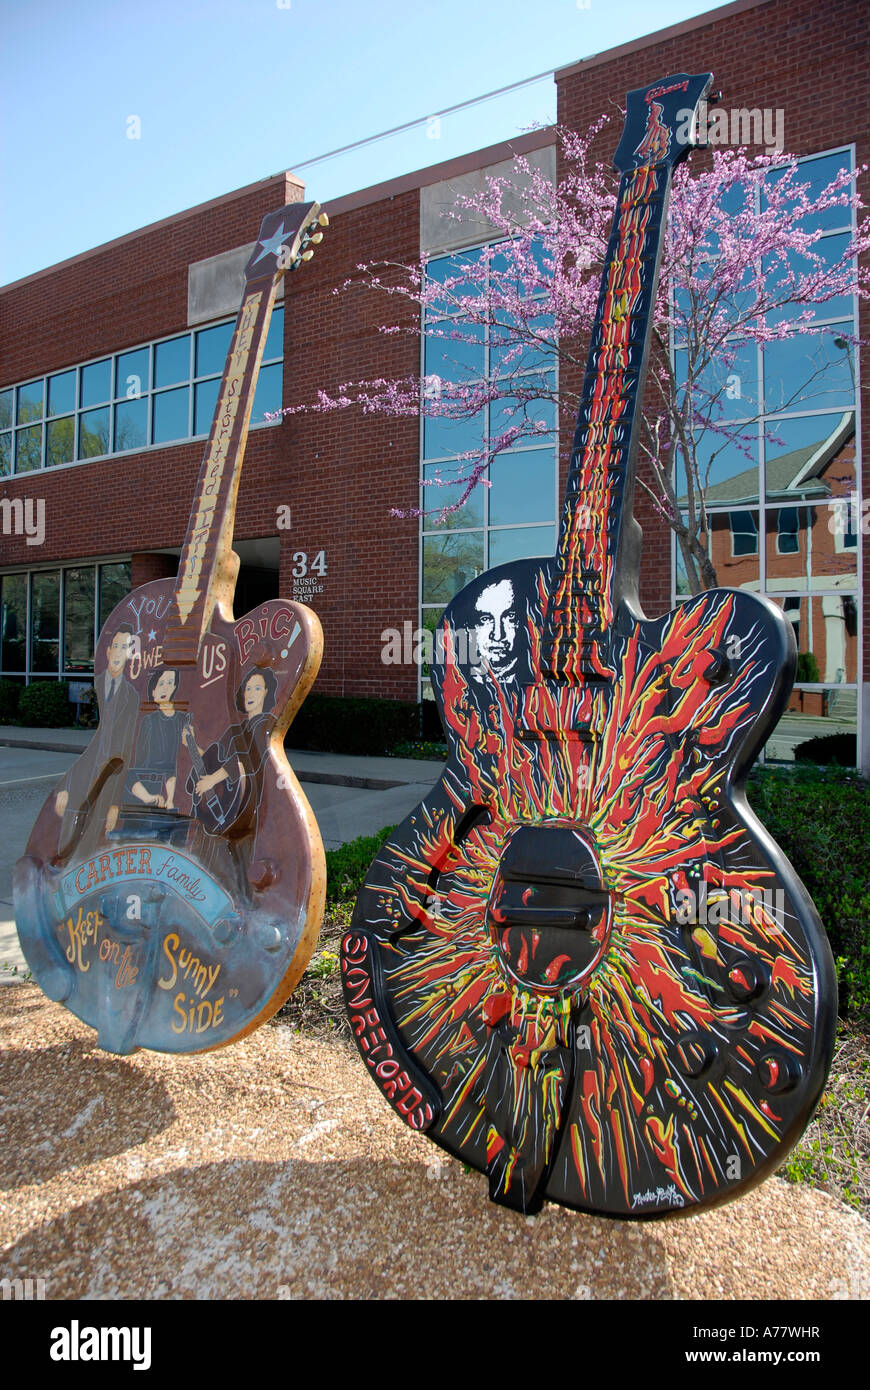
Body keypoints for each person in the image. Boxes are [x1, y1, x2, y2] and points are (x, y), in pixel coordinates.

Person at [54, 621, 138, 853]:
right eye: (117, 646)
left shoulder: (132, 695)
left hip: (115, 770)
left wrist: (118, 800)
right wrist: (67, 786)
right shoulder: (99, 683)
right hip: (94, 766)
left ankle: (81, 853)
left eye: (126, 648)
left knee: (99, 822)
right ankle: (65, 852)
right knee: (72, 809)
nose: (120, 653)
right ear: (108, 651)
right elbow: (94, 745)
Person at [127, 666, 186, 811]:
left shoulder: (183, 719)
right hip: (150, 775)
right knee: (127, 774)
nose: (165, 688)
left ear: (174, 687)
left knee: (175, 776)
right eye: (161, 684)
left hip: (175, 775)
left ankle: (166, 801)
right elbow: (140, 759)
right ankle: (149, 798)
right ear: (153, 692)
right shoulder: (148, 721)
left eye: (169, 683)